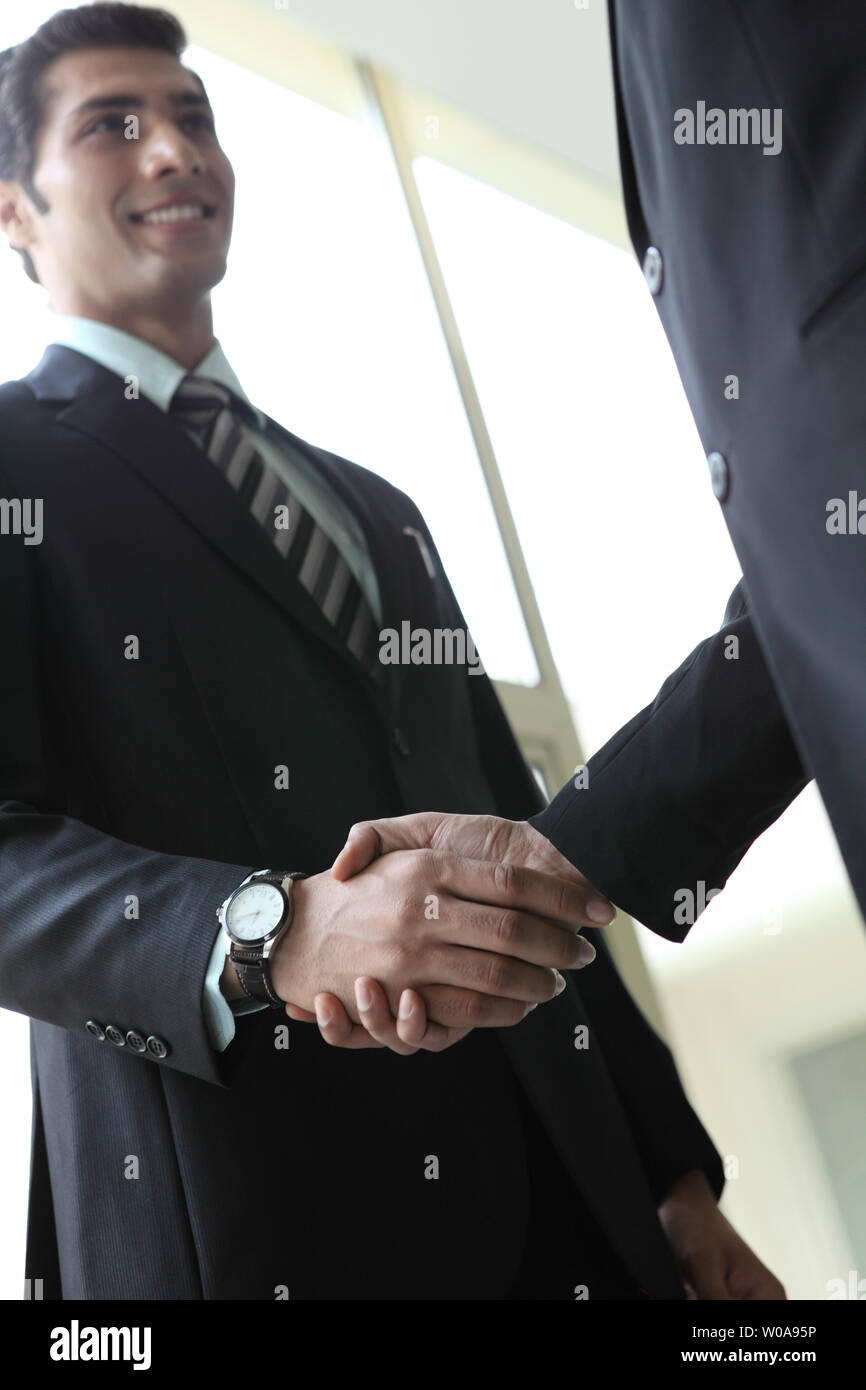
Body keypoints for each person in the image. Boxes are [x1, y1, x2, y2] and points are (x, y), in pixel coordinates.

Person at [0, 3, 781, 1301]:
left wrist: (670, 1169)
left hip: (573, 1203)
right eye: (112, 127)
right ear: (15, 210)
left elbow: (524, 834)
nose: (172, 152)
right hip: (256, 1213)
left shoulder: (375, 508)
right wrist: (272, 929)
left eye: (193, 117)